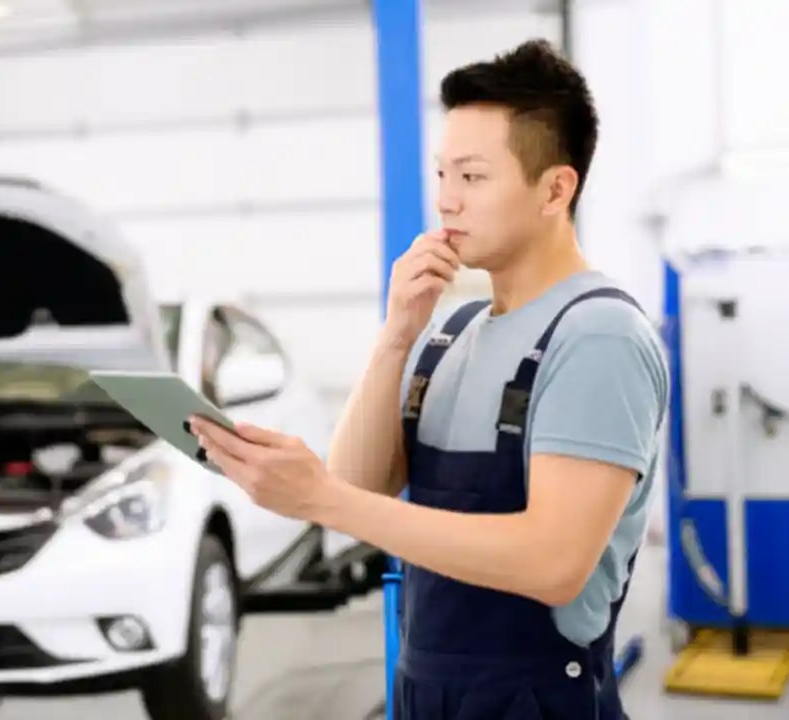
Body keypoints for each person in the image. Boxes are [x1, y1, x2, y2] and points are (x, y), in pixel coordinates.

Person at [187, 39, 668, 720]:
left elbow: (553, 561)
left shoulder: (597, 337)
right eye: (442, 174)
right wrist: (396, 336)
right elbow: (359, 489)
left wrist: (319, 498)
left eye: (472, 178)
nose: (446, 201)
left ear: (556, 189)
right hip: (425, 694)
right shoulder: (449, 333)